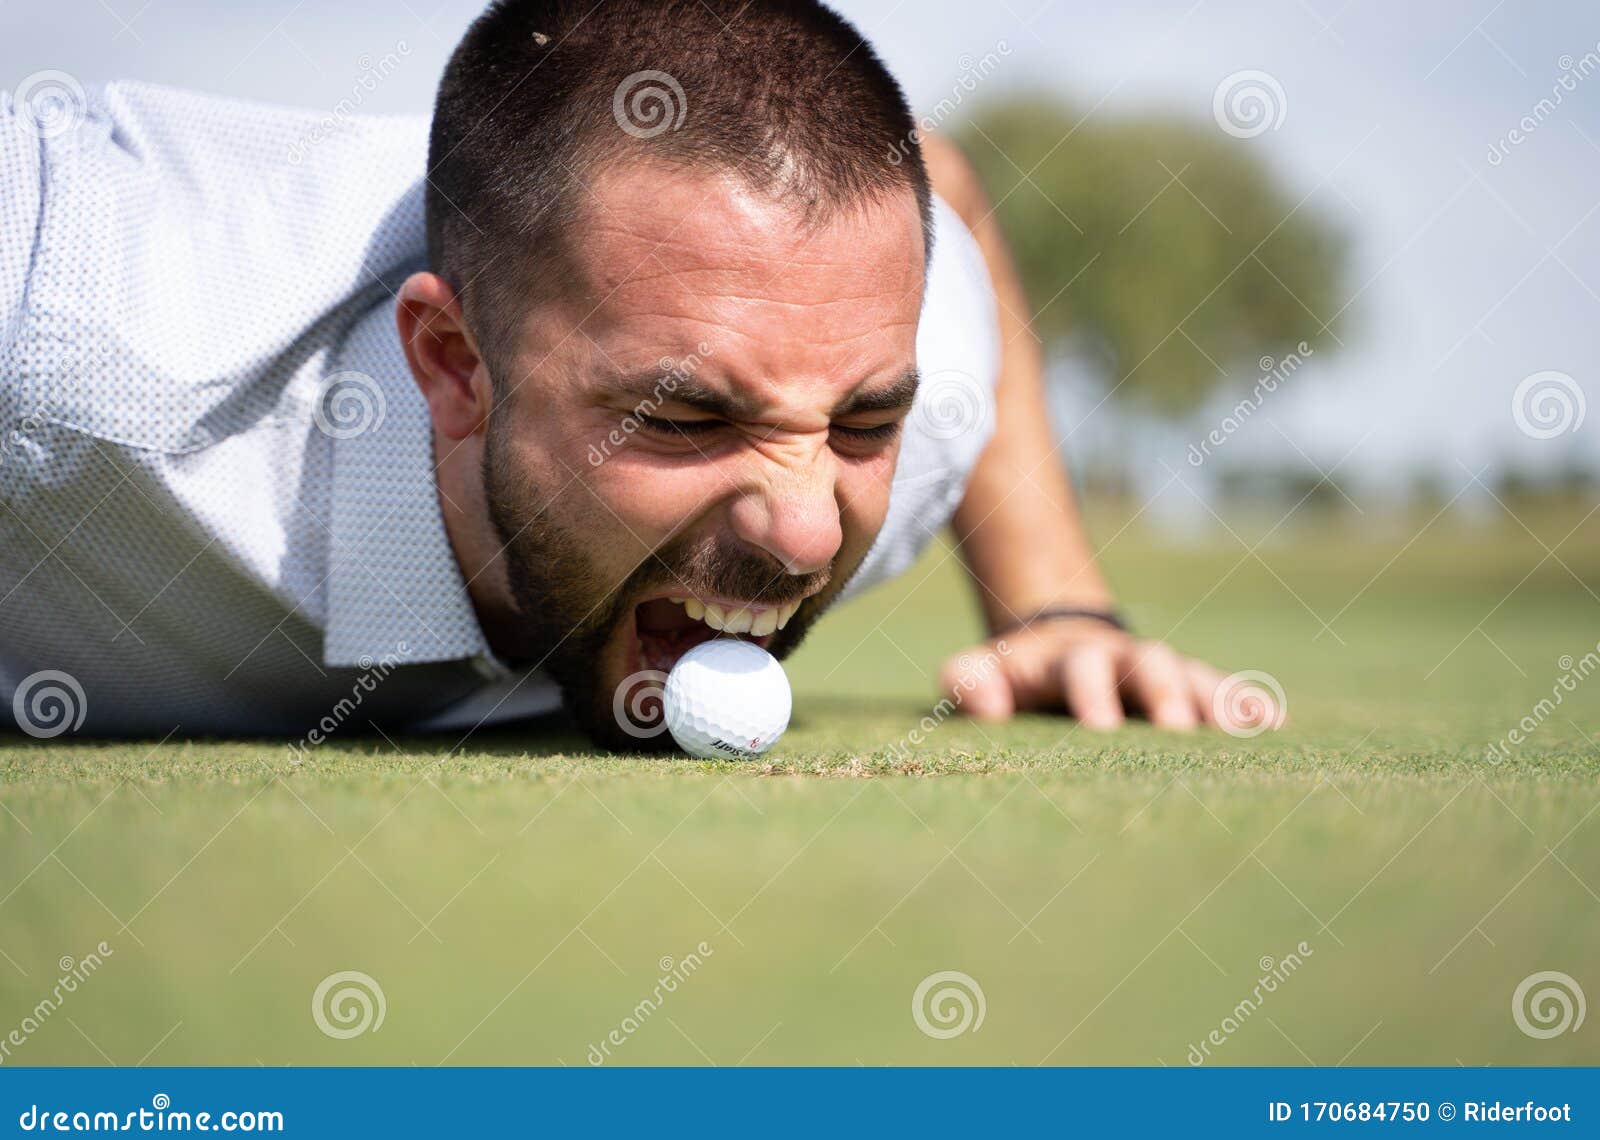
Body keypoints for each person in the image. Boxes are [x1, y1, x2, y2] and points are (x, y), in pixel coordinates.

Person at [0, 0, 1266, 747]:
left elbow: (950, 196)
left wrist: (1054, 605)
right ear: (453, 364)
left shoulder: (916, 421)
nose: (804, 533)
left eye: (862, 417)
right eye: (686, 415)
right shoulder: (71, 324)